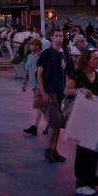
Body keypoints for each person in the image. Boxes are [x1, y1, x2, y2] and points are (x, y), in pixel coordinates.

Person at [65, 48, 98, 196]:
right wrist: (81, 90)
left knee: (94, 150)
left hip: (96, 118)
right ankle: (81, 183)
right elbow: (67, 91)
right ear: (86, 60)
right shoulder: (77, 75)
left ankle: (92, 181)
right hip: (81, 116)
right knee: (83, 150)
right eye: (95, 58)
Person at [37, 27, 72, 163]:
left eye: (61, 36)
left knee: (58, 124)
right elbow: (40, 75)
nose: (59, 38)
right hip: (50, 92)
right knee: (54, 123)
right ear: (51, 37)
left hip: (61, 92)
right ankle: (49, 150)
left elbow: (70, 74)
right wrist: (43, 93)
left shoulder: (66, 55)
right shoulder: (46, 54)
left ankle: (54, 149)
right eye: (56, 36)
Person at [22, 38, 46, 135]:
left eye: (31, 45)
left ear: (37, 46)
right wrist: (24, 83)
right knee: (43, 107)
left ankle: (34, 127)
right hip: (33, 84)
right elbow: (27, 70)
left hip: (40, 85)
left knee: (37, 105)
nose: (29, 46)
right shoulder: (30, 56)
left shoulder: (44, 56)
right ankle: (51, 125)